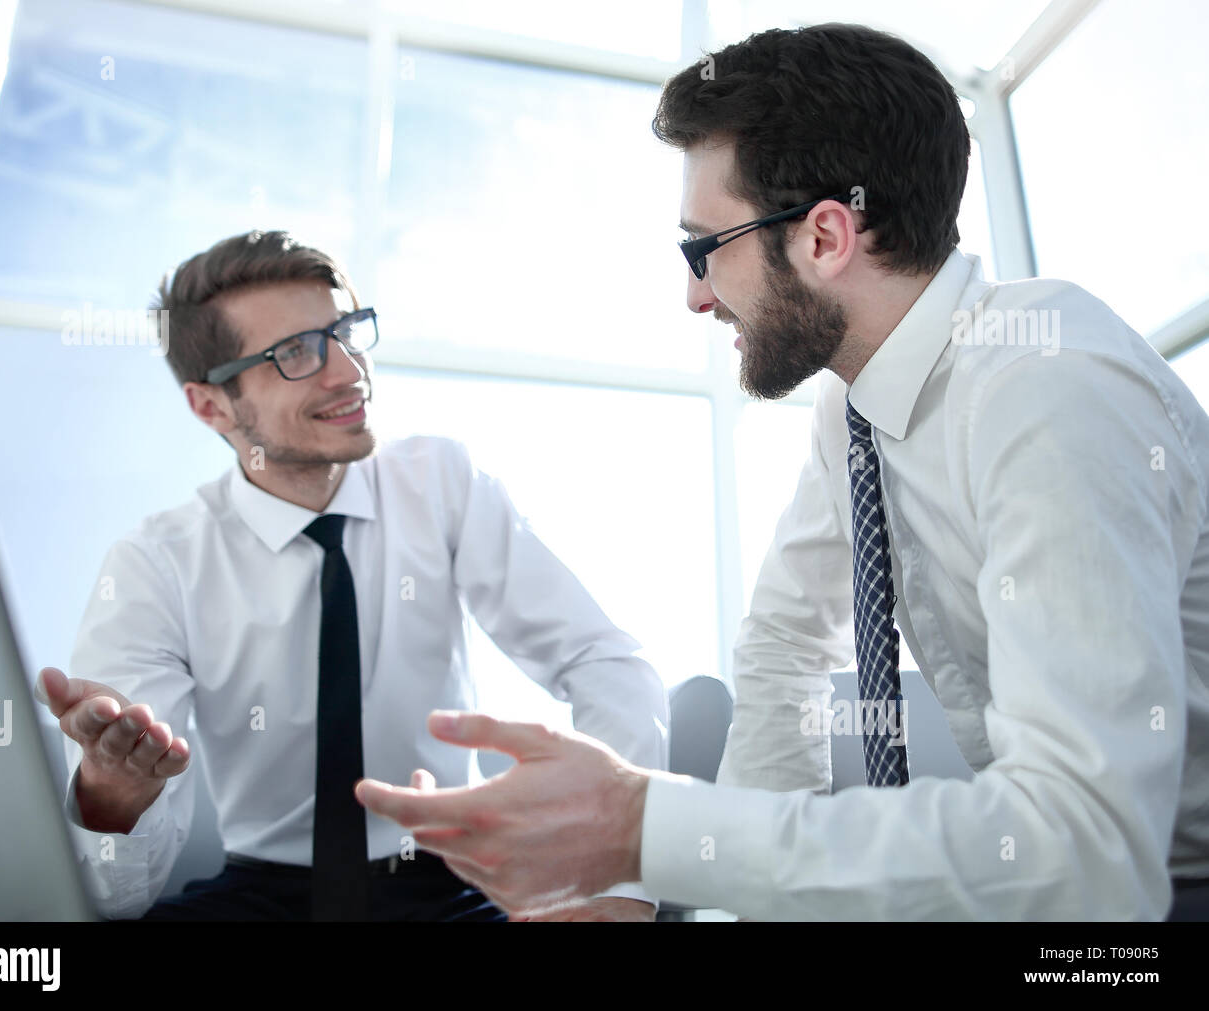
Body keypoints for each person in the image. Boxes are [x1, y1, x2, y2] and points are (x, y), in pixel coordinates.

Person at [355, 22, 1209, 921]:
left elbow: (1087, 854)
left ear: (826, 236)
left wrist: (645, 826)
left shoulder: (1045, 384)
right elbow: (785, 646)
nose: (693, 294)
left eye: (703, 248)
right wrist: (686, 892)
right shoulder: (858, 407)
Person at [35, 230, 666, 922]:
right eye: (296, 353)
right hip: (260, 898)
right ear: (212, 406)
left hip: (451, 883)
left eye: (346, 332)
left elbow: (602, 660)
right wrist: (112, 797)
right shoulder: (157, 562)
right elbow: (112, 895)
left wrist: (618, 883)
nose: (347, 370)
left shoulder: (441, 482)